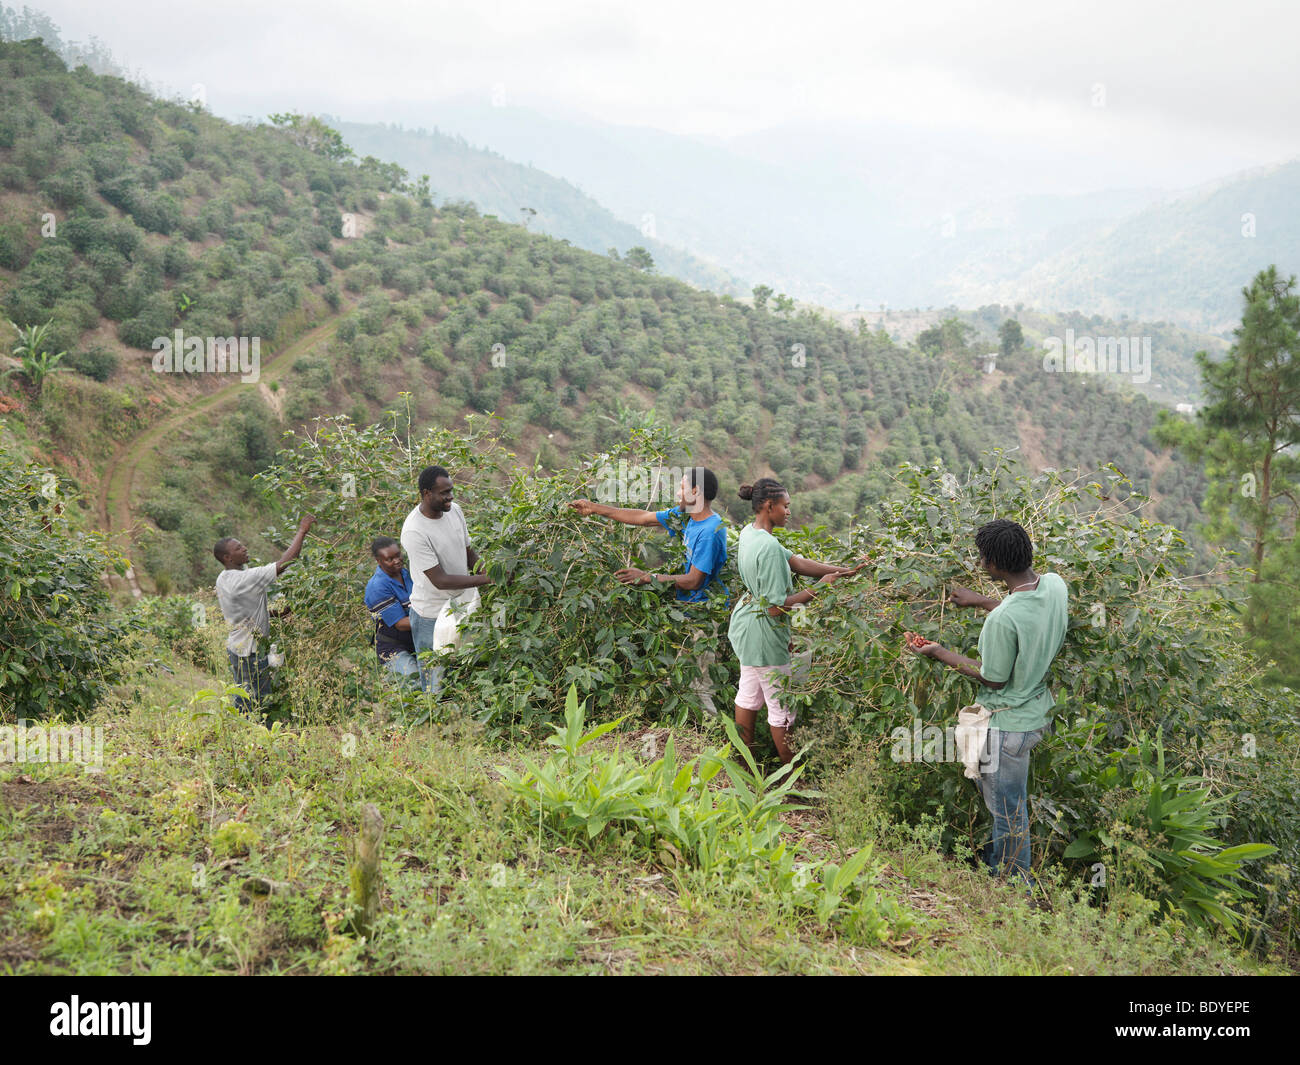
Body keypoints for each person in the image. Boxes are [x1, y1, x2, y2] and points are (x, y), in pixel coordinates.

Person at [905, 518, 1068, 889]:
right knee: (1007, 803)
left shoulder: (1002, 620)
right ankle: (997, 867)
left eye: (982, 557)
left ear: (993, 564)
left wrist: (938, 652)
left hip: (1007, 728)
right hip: (1036, 712)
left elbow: (994, 677)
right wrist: (981, 601)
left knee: (1007, 812)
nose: (980, 563)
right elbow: (1027, 614)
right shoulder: (1055, 585)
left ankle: (1014, 888)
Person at [569, 466, 729, 715]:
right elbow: (643, 517)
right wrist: (594, 508)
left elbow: (694, 581)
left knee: (699, 685)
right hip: (687, 611)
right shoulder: (686, 516)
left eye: (682, 488)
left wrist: (648, 577)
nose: (678, 493)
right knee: (679, 679)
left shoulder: (709, 531)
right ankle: (687, 732)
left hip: (704, 617)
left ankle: (714, 734)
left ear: (695, 492)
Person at [728, 477, 861, 764]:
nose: (789, 512)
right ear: (769, 506)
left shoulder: (751, 533)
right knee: (782, 709)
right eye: (785, 506)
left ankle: (744, 764)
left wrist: (843, 571)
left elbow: (797, 563)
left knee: (748, 695)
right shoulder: (769, 547)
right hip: (765, 635)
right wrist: (821, 587)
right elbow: (776, 608)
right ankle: (791, 776)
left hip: (747, 627)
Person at [400, 465, 491, 693]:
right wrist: (487, 580)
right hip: (431, 615)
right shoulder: (414, 531)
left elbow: (468, 552)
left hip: (462, 607)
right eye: (444, 493)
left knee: (465, 673)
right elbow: (440, 580)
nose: (450, 497)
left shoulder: (455, 511)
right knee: (436, 683)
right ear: (426, 493)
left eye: (451, 490)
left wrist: (487, 571)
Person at [213, 513, 315, 717]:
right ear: (228, 558)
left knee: (244, 696)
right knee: (260, 699)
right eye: (238, 548)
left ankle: (242, 729)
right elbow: (286, 562)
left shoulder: (223, 578)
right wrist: (302, 531)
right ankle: (261, 731)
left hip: (237, 647)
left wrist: (276, 614)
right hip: (250, 651)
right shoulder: (244, 579)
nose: (244, 549)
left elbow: (244, 611)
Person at [364, 536, 421, 686]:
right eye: (390, 559)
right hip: (393, 647)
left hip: (417, 639)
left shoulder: (407, 573)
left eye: (398, 555)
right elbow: (401, 624)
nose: (397, 561)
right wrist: (434, 619)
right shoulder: (377, 587)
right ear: (379, 561)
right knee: (414, 682)